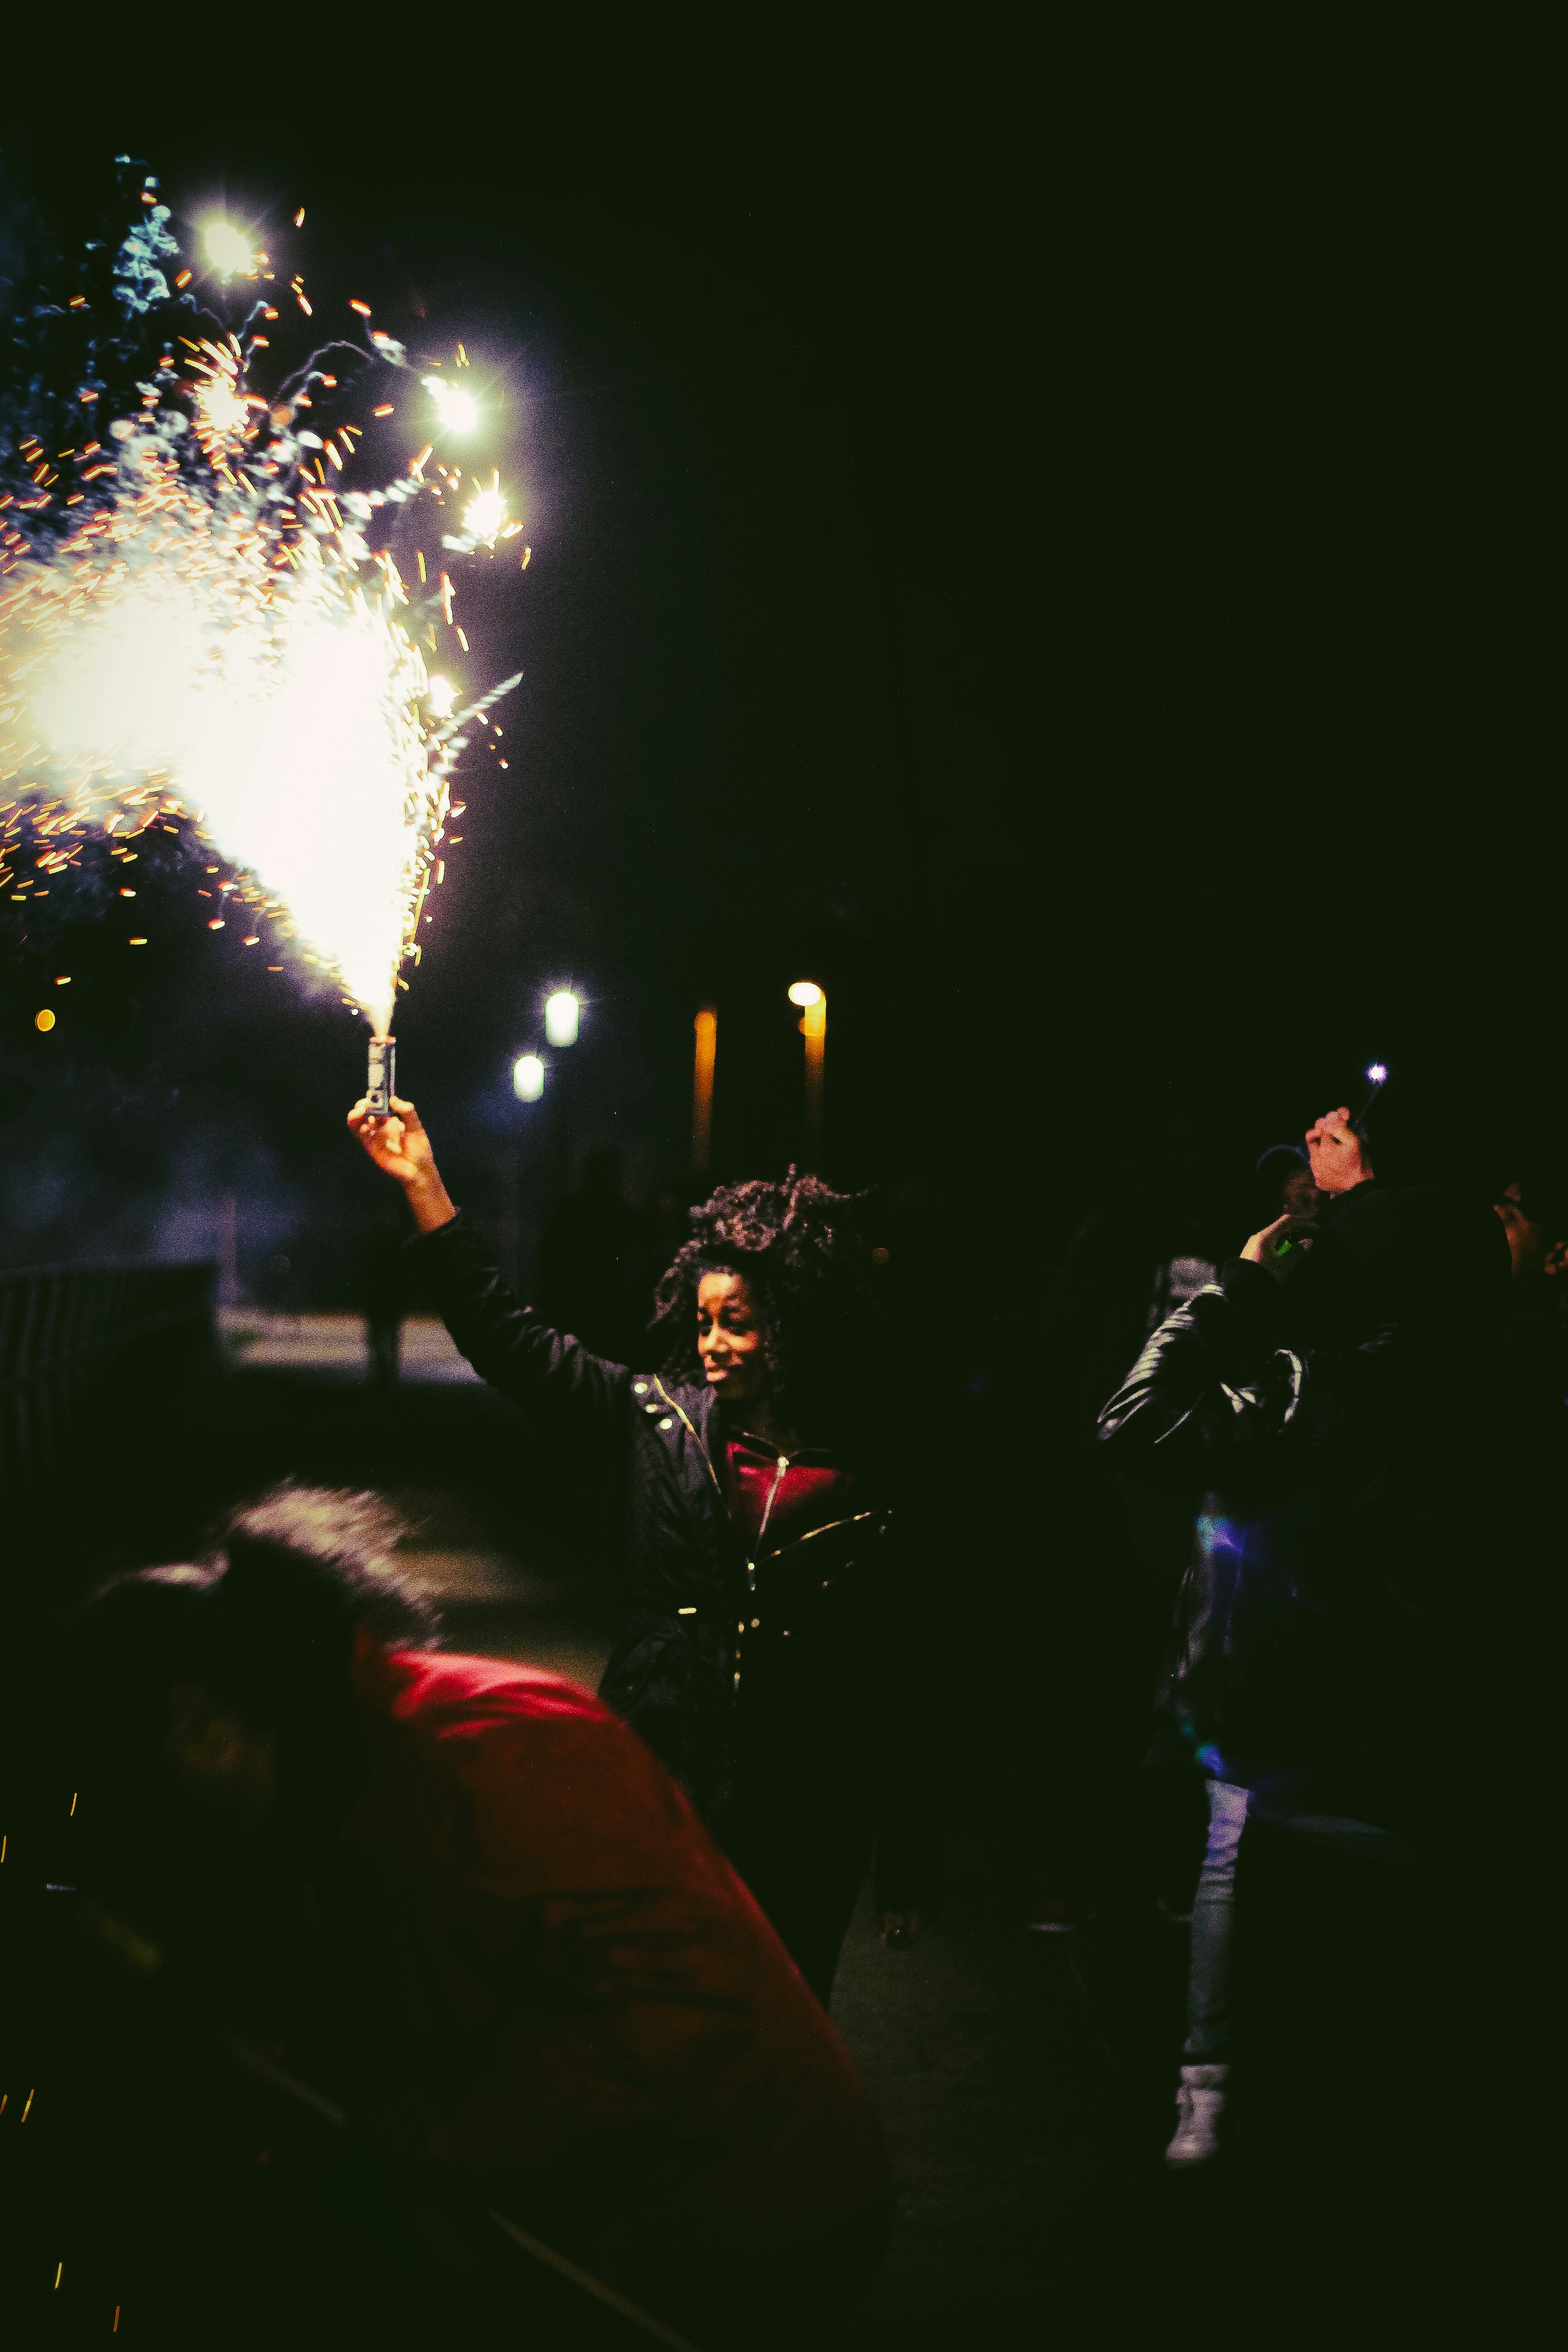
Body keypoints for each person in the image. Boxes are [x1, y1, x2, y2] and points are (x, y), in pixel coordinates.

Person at [54, 1490, 893, 2345]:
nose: (173, 1840)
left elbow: (675, 2016)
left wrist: (465, 2127)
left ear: (204, 1729)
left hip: (753, 2197)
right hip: (605, 2188)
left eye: (154, 1802)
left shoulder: (496, 1751)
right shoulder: (324, 1795)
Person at [347, 1092, 940, 2006]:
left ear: (790, 1324)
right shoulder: (659, 1424)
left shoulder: (867, 1474)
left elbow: (898, 1670)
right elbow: (512, 1343)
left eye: (736, 1324)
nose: (711, 1346)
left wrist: (903, 1858)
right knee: (670, 2004)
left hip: (808, 1800)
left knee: (785, 2010)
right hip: (672, 1769)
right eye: (703, 1323)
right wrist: (425, 1186)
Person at [1099, 1102, 1548, 2177]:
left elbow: (1135, 1418)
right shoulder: (1508, 1384)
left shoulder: (1317, 1386)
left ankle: (1215, 2102)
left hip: (1299, 1743)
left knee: (1252, 1904)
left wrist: (1246, 1283)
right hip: (1439, 1758)